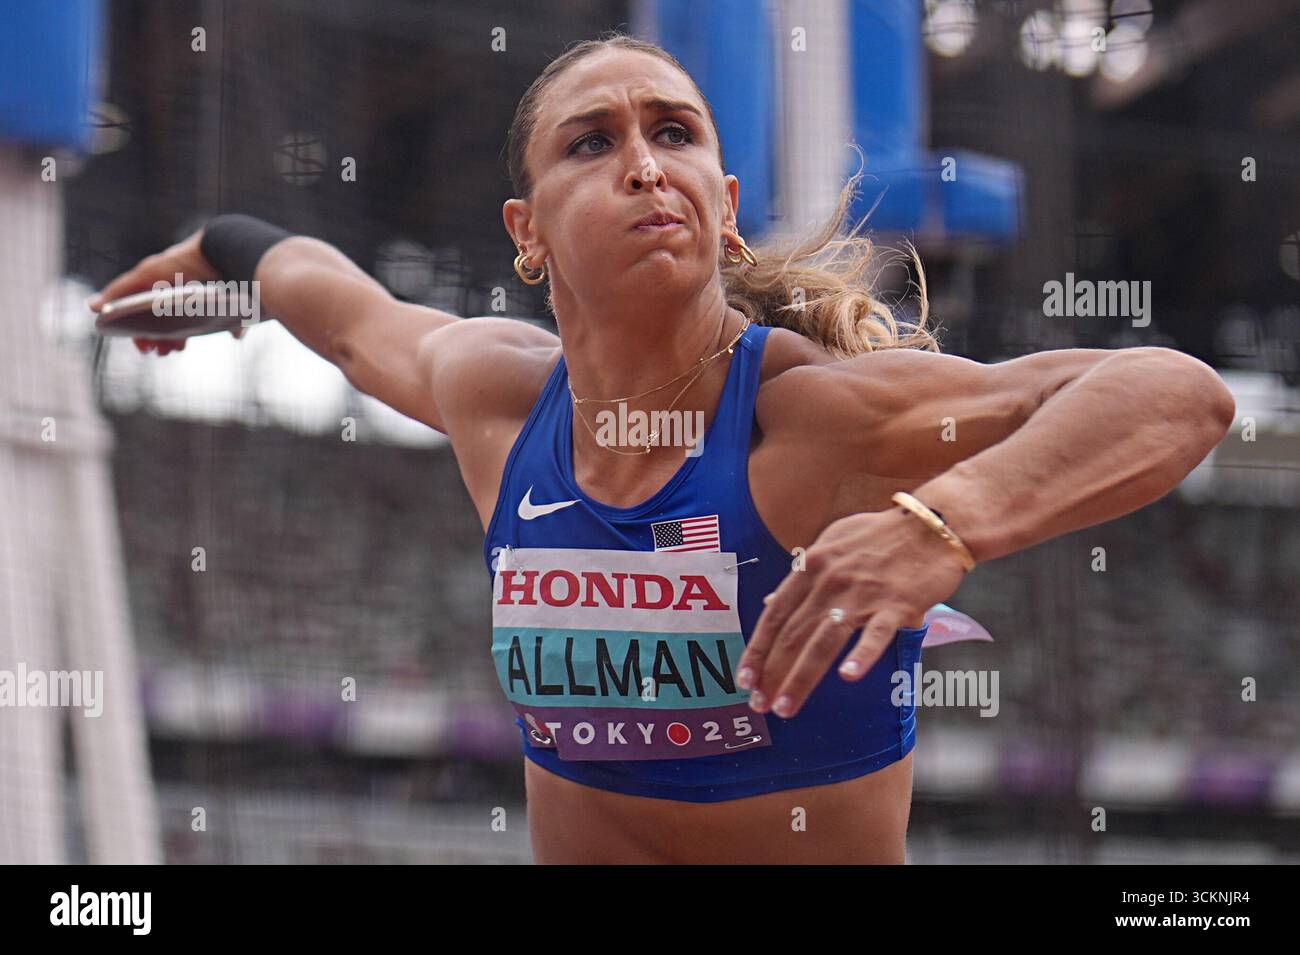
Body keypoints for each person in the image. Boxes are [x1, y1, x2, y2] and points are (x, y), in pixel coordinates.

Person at [90, 34, 1235, 864]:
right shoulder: (494, 395)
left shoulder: (821, 421)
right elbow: (330, 303)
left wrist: (944, 523)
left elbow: (1176, 395)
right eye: (592, 142)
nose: (644, 164)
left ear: (723, 204)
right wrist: (212, 260)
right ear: (525, 232)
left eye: (673, 133)